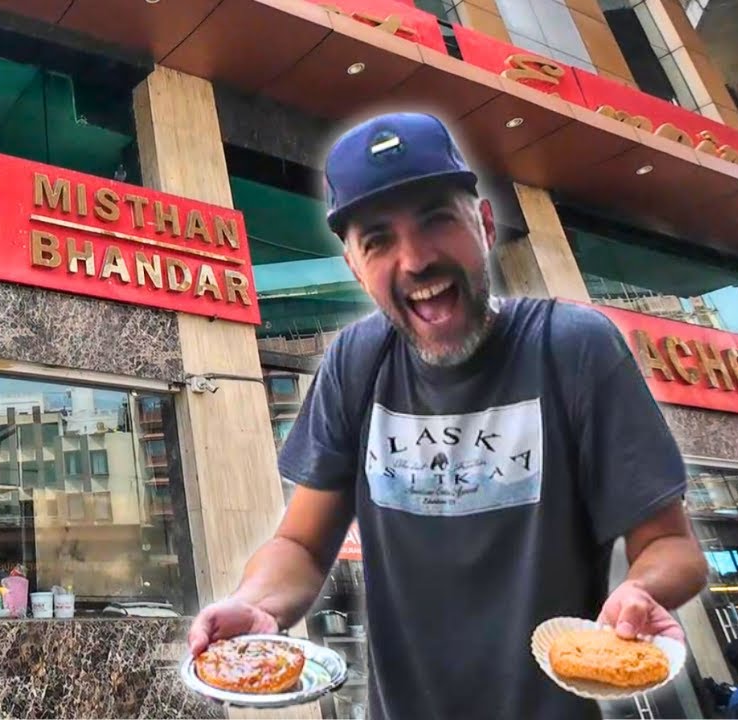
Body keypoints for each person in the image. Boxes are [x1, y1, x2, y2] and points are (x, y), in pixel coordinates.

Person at [187, 112, 708, 719]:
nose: (415, 260)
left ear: (484, 225)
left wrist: (640, 591)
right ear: (355, 265)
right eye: (378, 240)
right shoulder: (357, 364)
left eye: (436, 219)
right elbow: (300, 545)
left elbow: (673, 545)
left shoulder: (572, 348)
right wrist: (259, 606)